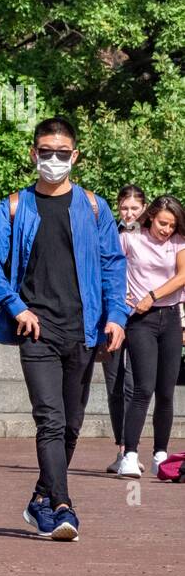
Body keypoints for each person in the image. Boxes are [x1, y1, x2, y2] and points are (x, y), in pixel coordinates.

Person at [0, 118, 128, 542]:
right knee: (51, 422)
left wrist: (117, 316)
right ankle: (62, 506)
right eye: (46, 152)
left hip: (83, 330)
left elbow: (114, 265)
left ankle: (40, 498)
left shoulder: (94, 207)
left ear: (74, 156)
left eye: (62, 153)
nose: (54, 160)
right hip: (37, 331)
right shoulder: (15, 206)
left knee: (73, 424)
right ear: (33, 154)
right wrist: (16, 306)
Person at [114, 195, 185, 477]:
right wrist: (122, 296)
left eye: (172, 225)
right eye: (162, 223)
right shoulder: (131, 239)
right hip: (139, 321)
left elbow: (182, 277)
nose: (166, 230)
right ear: (151, 216)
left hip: (168, 317)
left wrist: (153, 296)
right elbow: (111, 267)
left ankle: (160, 455)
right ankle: (129, 455)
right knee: (143, 388)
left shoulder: (179, 241)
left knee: (166, 392)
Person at [102, 185, 146, 473]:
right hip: (113, 314)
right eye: (124, 208)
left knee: (134, 384)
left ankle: (132, 450)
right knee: (114, 384)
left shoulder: (152, 236)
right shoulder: (110, 233)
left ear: (143, 208)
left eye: (134, 208)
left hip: (142, 315)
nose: (129, 213)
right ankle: (120, 448)